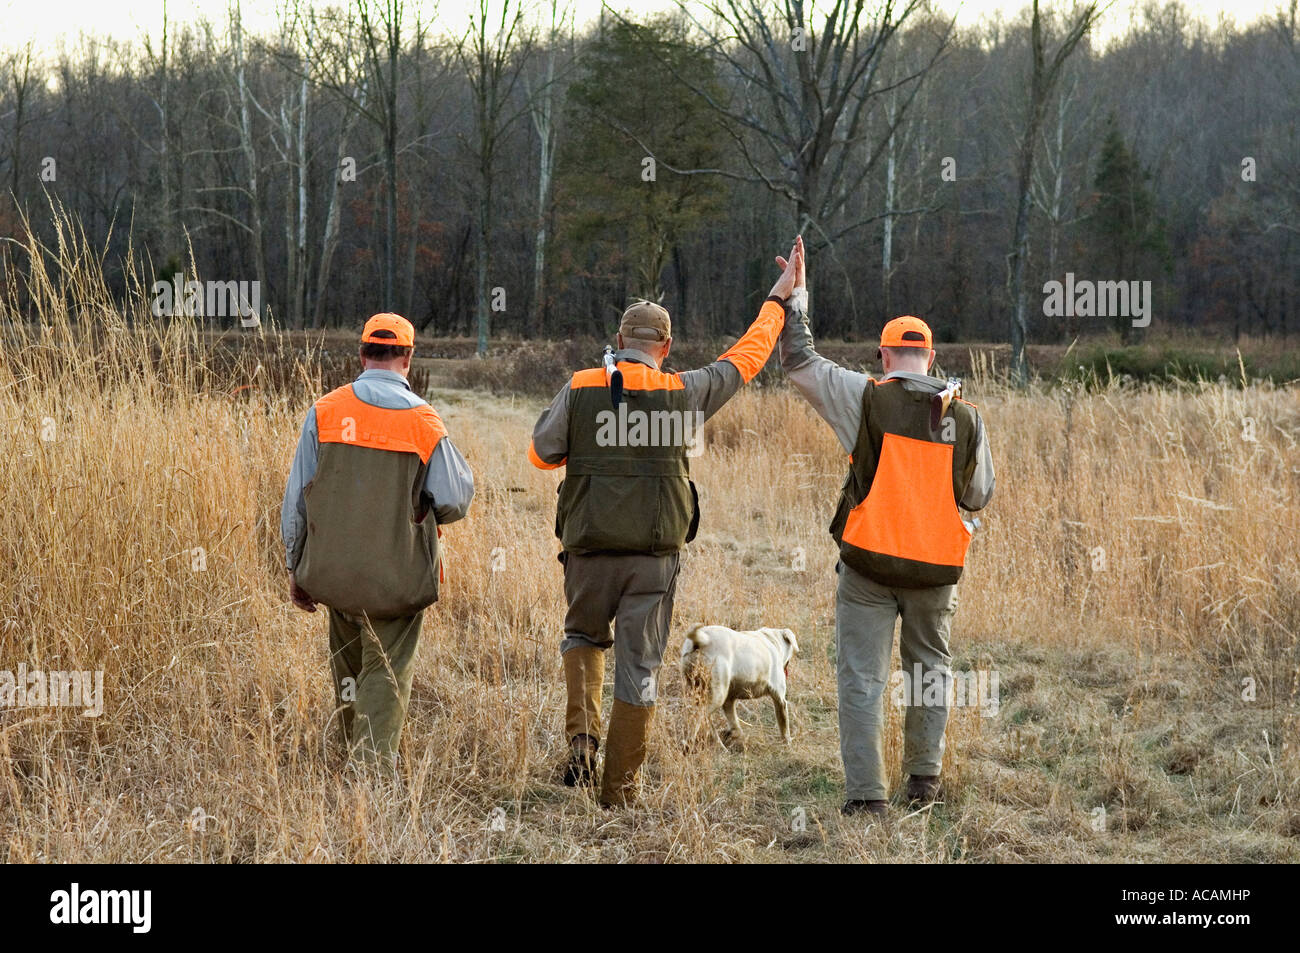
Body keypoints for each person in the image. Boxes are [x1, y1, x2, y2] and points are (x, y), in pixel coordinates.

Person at [529, 239, 804, 807]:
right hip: (653, 560)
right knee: (640, 666)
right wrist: (780, 299)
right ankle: (620, 792)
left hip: (586, 552)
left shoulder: (582, 386)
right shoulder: (687, 390)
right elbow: (746, 358)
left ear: (620, 340)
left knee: (582, 638)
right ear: (667, 346)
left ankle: (581, 742)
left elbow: (540, 453)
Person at [777, 246, 995, 816]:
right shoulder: (966, 417)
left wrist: (796, 296)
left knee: (862, 679)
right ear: (930, 358)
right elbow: (977, 496)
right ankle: (923, 783)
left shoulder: (864, 396)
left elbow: (798, 362)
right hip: (936, 572)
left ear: (884, 355)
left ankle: (867, 798)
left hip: (868, 568)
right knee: (929, 673)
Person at [281, 313, 474, 769]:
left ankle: (351, 755)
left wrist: (295, 567)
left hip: (331, 573)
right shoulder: (425, 424)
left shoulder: (325, 411)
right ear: (407, 357)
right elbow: (455, 500)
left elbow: (296, 498)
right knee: (385, 672)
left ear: (363, 354)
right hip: (395, 579)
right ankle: (371, 774)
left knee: (348, 667)